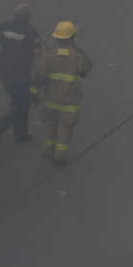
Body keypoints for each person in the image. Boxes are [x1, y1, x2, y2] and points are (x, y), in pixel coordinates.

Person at [33, 20, 94, 166]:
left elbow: (39, 76)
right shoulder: (78, 56)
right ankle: (60, 156)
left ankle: (48, 149)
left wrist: (34, 93)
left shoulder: (48, 54)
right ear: (72, 37)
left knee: (50, 125)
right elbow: (86, 70)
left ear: (56, 37)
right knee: (65, 129)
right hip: (69, 103)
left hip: (50, 100)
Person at [0, 4, 39, 145]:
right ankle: (0, 126)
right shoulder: (31, 32)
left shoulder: (5, 27)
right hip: (21, 74)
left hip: (4, 71)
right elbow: (38, 51)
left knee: (17, 101)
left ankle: (21, 135)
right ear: (29, 17)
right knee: (23, 104)